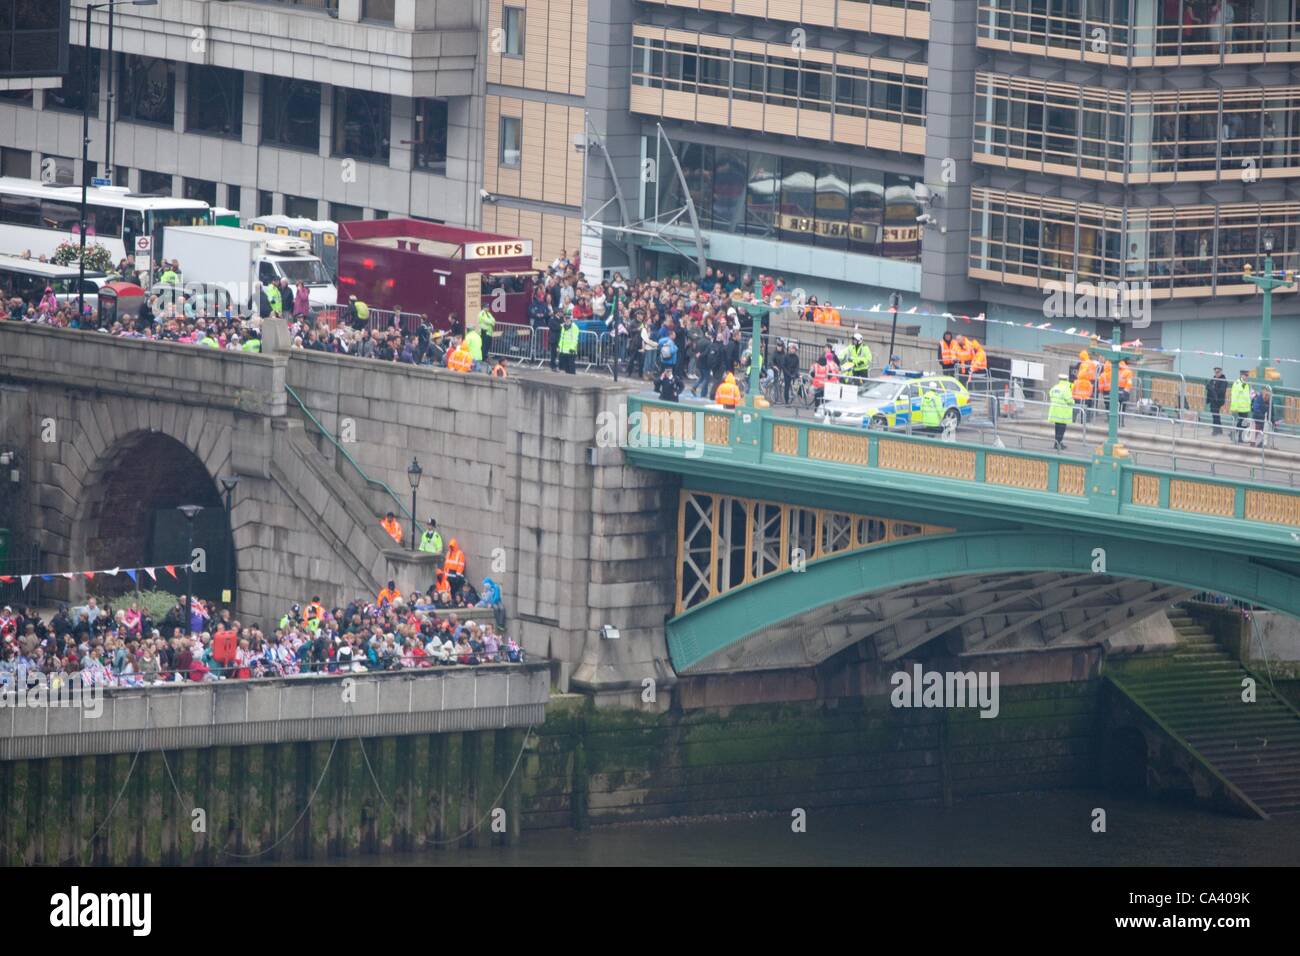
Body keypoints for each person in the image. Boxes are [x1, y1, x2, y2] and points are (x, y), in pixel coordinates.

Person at [1048, 372, 1075, 450]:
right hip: (1063, 412)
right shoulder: (1066, 389)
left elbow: (1050, 394)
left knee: (1057, 428)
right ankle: (1058, 444)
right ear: (1066, 380)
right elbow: (1069, 400)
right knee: (1062, 429)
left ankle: (1056, 443)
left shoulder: (1055, 387)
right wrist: (1073, 402)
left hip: (1055, 411)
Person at [1230, 369, 1253, 442]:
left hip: (1245, 407)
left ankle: (1238, 436)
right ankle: (1234, 434)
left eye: (1247, 375)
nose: (1247, 377)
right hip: (1240, 407)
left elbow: (1245, 395)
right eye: (1245, 375)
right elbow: (1235, 395)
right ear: (1241, 375)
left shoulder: (1245, 384)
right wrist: (1235, 408)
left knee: (1243, 423)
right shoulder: (1238, 383)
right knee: (1241, 423)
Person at [1207, 367, 1227, 435]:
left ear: (1221, 372)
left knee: (1215, 415)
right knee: (1215, 415)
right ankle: (1219, 429)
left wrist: (1213, 390)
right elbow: (1208, 386)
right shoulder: (1213, 379)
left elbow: (1222, 390)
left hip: (1218, 400)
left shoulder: (1223, 380)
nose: (1216, 373)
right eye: (1216, 372)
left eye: (1218, 372)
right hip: (1213, 400)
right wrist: (1212, 390)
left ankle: (1216, 430)